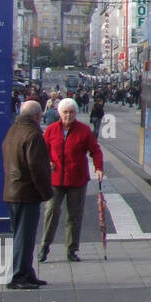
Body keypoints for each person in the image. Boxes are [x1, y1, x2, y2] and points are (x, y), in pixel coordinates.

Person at [39, 99, 104, 263]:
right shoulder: (51, 130)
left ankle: (71, 249)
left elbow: (95, 150)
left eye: (71, 112)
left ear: (76, 113)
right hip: (55, 179)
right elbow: (42, 151)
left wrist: (98, 167)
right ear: (59, 113)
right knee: (51, 211)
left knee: (74, 216)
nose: (68, 115)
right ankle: (44, 247)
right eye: (65, 112)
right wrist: (48, 161)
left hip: (77, 178)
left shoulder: (84, 130)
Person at [2, 100, 54, 289]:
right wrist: (46, 192)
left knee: (20, 234)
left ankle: (27, 271)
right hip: (26, 192)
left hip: (12, 190)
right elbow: (37, 167)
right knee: (25, 236)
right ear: (38, 116)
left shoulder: (13, 130)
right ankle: (19, 276)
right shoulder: (33, 134)